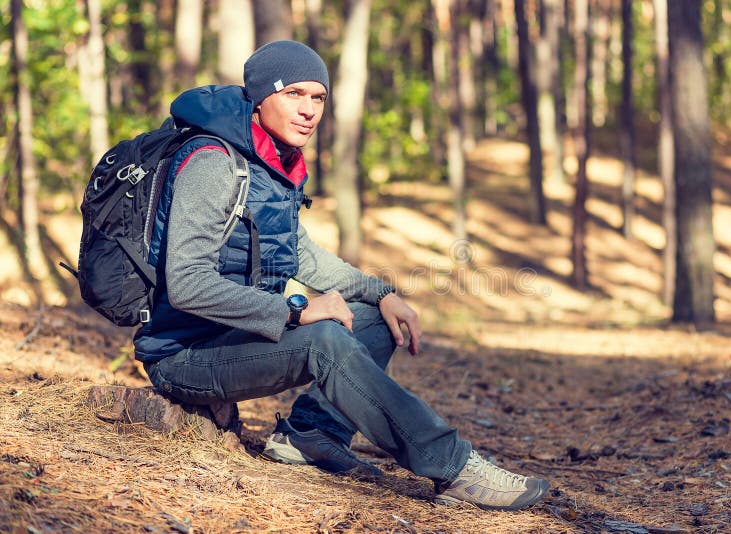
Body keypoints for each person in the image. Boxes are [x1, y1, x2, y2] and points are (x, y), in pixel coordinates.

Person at [134, 40, 550, 511]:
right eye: (294, 94)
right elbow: (187, 283)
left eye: (318, 97)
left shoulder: (272, 162)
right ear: (259, 98)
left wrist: (383, 292)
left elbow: (301, 254)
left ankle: (311, 434)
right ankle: (452, 465)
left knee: (373, 318)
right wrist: (297, 310)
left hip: (235, 339)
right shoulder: (214, 162)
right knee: (323, 339)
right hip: (184, 356)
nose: (309, 110)